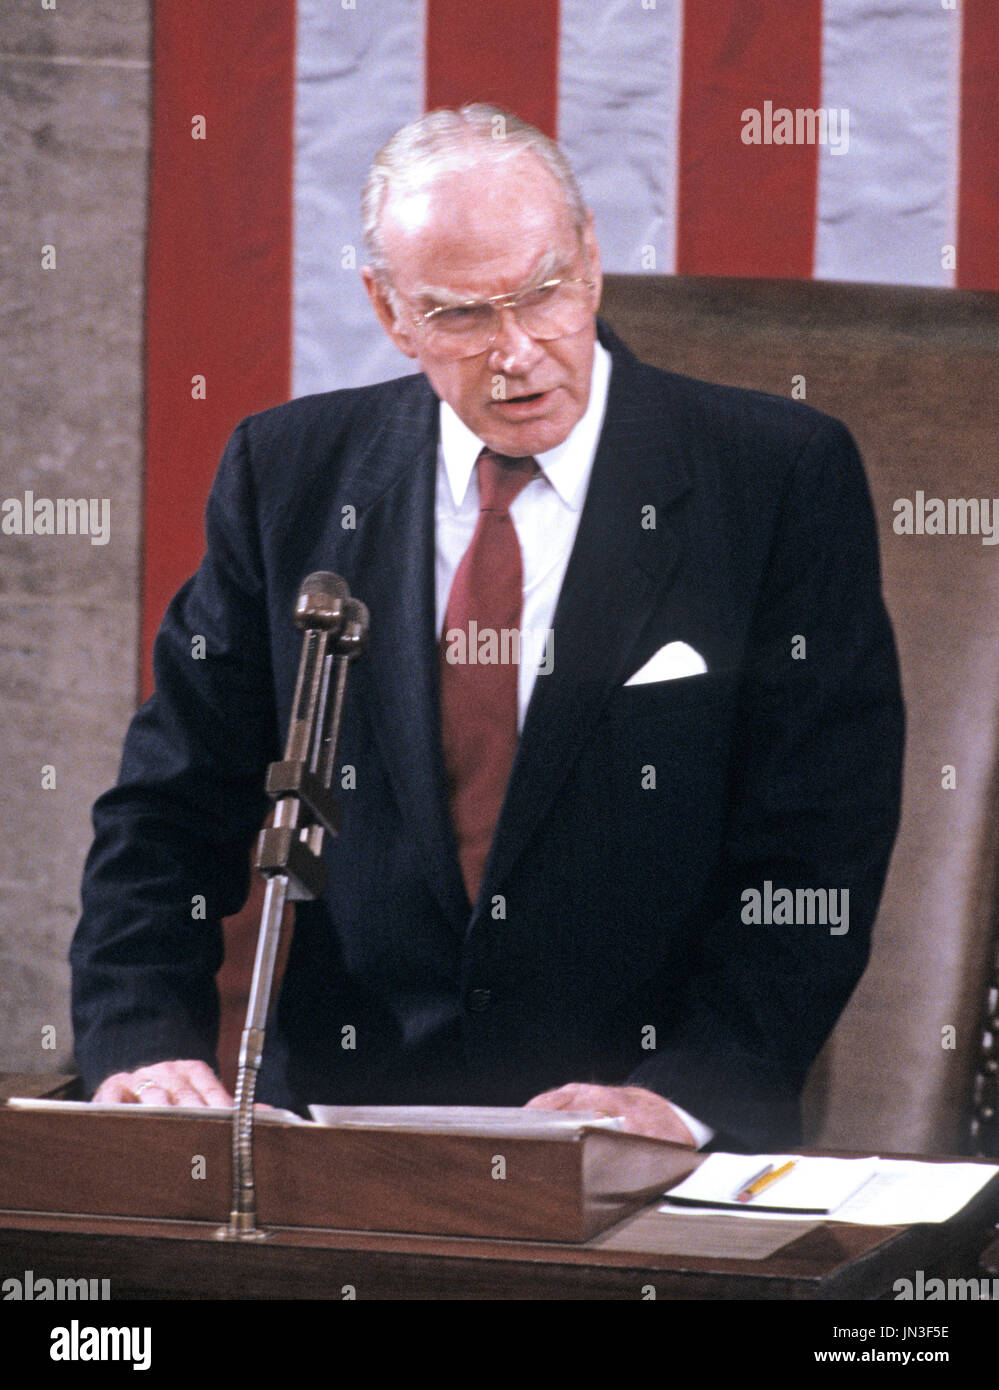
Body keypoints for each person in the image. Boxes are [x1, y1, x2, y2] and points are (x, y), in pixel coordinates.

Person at [70, 105, 904, 1151]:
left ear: (594, 260)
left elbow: (818, 845)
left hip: (645, 1135)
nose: (517, 354)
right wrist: (142, 1034)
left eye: (544, 293)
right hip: (335, 1133)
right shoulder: (285, 475)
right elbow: (169, 807)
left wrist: (688, 1091)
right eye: (464, 315)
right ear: (390, 311)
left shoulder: (777, 476)